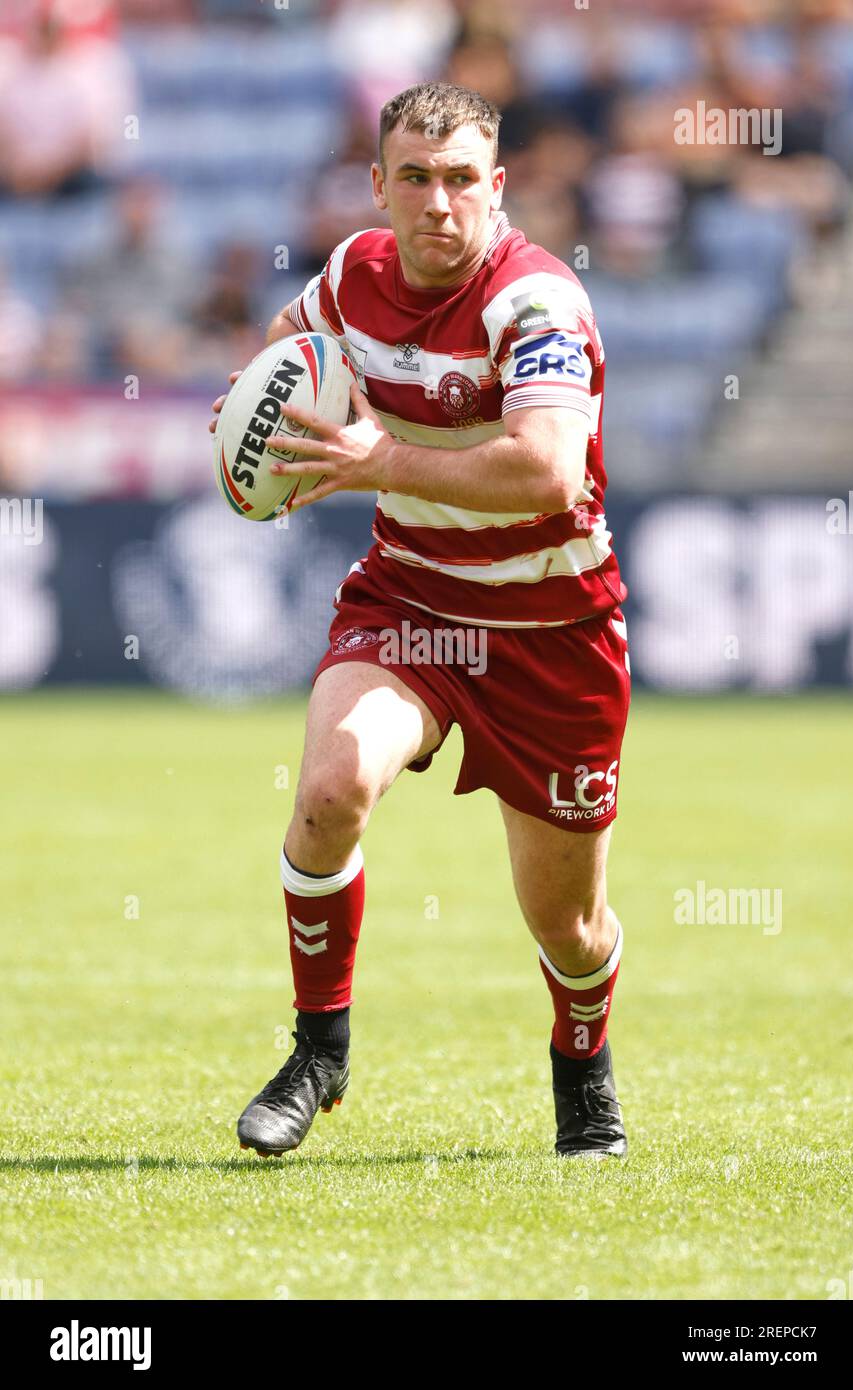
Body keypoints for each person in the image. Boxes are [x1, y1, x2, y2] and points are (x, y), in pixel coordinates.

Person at [210, 82, 631, 1160]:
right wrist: (260, 415)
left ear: (496, 189)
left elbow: (543, 471)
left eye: (459, 182)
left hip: (551, 633)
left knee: (567, 926)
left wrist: (376, 460)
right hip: (412, 599)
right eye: (415, 179)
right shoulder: (354, 273)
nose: (438, 203)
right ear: (379, 185)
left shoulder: (537, 302)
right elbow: (283, 347)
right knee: (331, 787)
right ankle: (319, 1051)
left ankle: (582, 1069)